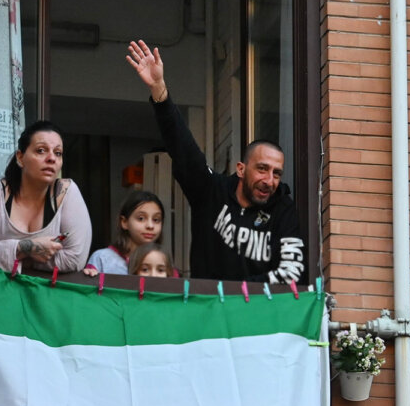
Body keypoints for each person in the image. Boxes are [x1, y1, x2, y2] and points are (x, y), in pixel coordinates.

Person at [126, 39, 305, 284]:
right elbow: (183, 148)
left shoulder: (283, 211)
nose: (269, 180)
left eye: (276, 173)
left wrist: (234, 294)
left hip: (255, 319)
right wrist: (159, 90)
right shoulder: (211, 192)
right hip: (207, 314)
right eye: (262, 169)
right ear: (241, 169)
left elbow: (292, 273)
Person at [0, 120, 92, 273]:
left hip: (44, 295)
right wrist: (24, 248)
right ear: (20, 158)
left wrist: (18, 258)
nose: (51, 158)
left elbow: (75, 259)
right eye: (41, 150)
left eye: (58, 153)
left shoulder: (66, 192)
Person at [84, 190, 165, 275]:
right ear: (124, 222)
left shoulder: (164, 264)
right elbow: (88, 287)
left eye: (156, 220)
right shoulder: (102, 259)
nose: (150, 226)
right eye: (141, 218)